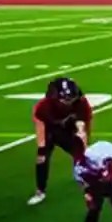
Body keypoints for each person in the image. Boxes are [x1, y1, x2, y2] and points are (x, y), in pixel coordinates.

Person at [29, 76, 92, 206]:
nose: (69, 102)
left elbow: (85, 126)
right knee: (42, 158)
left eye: (71, 99)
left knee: (81, 151)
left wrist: (84, 146)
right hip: (49, 129)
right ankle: (40, 190)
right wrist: (42, 148)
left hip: (68, 129)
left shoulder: (81, 103)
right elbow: (40, 126)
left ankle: (84, 177)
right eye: (65, 100)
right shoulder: (43, 107)